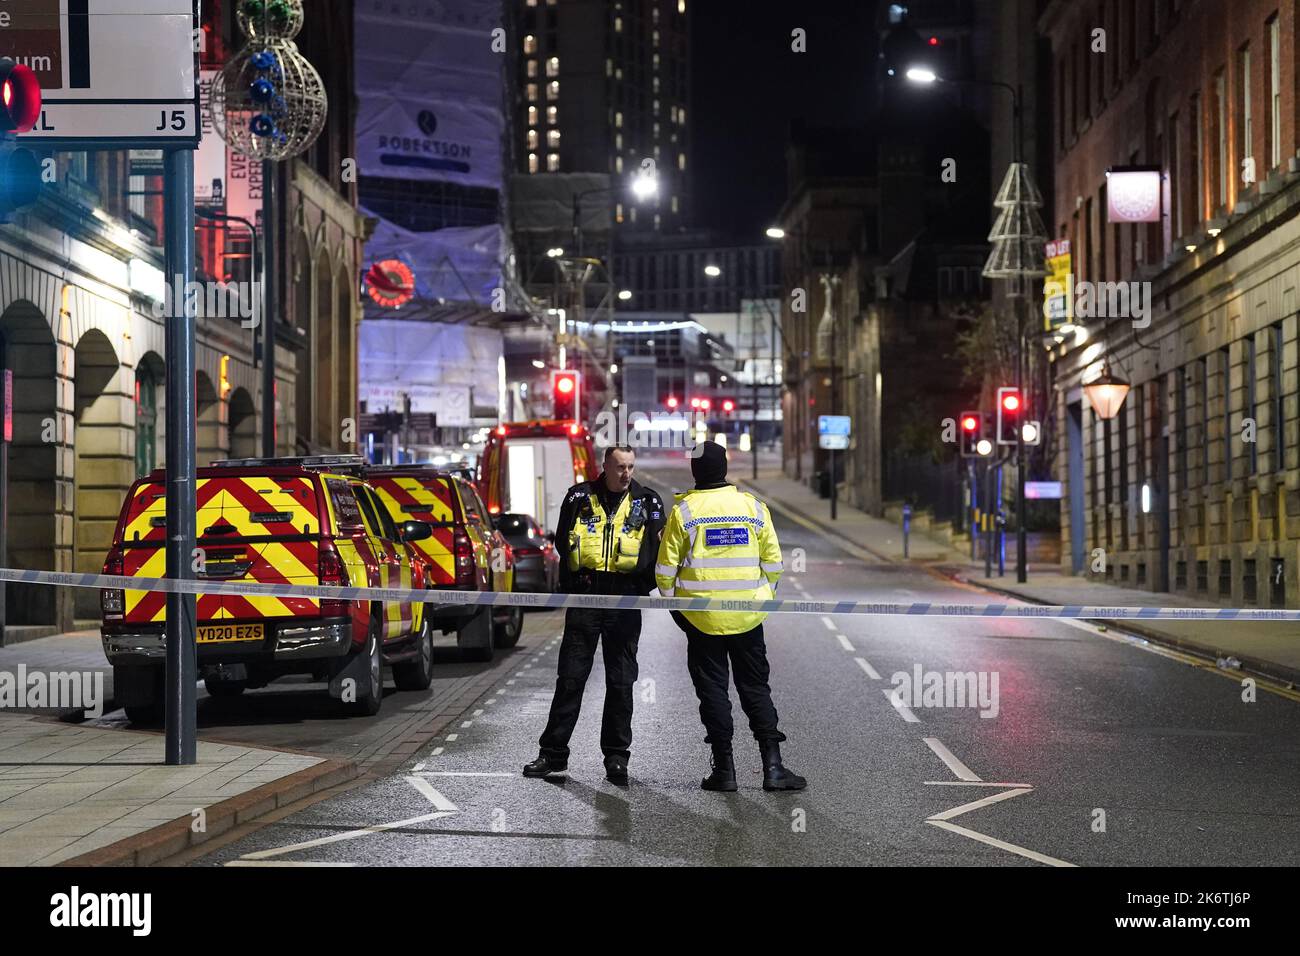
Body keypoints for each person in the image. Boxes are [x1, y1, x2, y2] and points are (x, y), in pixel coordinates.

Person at [655, 440, 806, 792]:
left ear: (695, 471)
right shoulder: (752, 507)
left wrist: (681, 608)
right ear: (724, 468)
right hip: (748, 618)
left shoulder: (685, 512)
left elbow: (664, 573)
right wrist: (762, 599)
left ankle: (724, 772)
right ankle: (774, 769)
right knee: (755, 688)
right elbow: (773, 564)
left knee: (713, 692)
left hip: (702, 620)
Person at [523, 445, 665, 784]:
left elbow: (656, 546)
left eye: (630, 466)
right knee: (571, 678)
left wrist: (641, 585)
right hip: (587, 597)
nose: (626, 473)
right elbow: (562, 540)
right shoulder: (579, 496)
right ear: (604, 466)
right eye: (619, 466)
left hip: (626, 600)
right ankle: (553, 754)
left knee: (621, 681)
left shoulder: (648, 501)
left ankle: (616, 757)